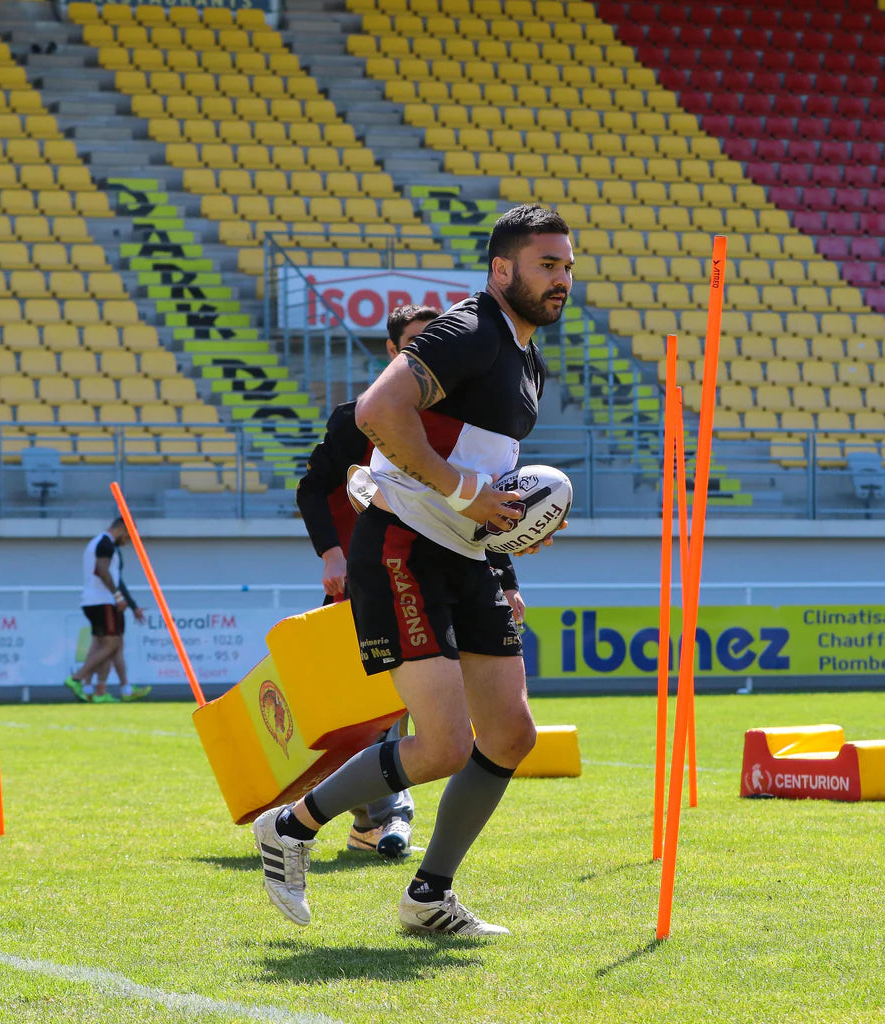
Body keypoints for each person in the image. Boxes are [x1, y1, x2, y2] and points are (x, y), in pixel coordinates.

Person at [254, 204, 572, 936]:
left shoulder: (527, 358)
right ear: (502, 270)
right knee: (444, 744)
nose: (560, 280)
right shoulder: (467, 329)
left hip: (467, 556)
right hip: (401, 547)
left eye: (566, 268)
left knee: (511, 735)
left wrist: (513, 528)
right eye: (546, 265)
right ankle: (292, 827)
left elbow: (487, 474)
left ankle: (428, 897)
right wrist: (466, 494)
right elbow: (377, 410)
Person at [295, 305, 439, 860]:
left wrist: (505, 576)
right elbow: (312, 491)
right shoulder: (357, 418)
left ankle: (370, 822)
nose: (424, 354)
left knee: (403, 707)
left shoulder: (455, 423)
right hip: (362, 583)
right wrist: (332, 554)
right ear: (391, 351)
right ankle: (386, 815)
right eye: (413, 344)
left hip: (430, 579)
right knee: (368, 708)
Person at [63, 516, 151, 704]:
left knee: (103, 644)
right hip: (103, 601)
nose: (127, 541)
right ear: (123, 529)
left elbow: (116, 578)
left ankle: (96, 689)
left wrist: (132, 605)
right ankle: (78, 678)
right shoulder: (106, 544)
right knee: (111, 645)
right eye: (128, 536)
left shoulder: (97, 543)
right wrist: (118, 597)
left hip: (93, 600)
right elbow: (102, 571)